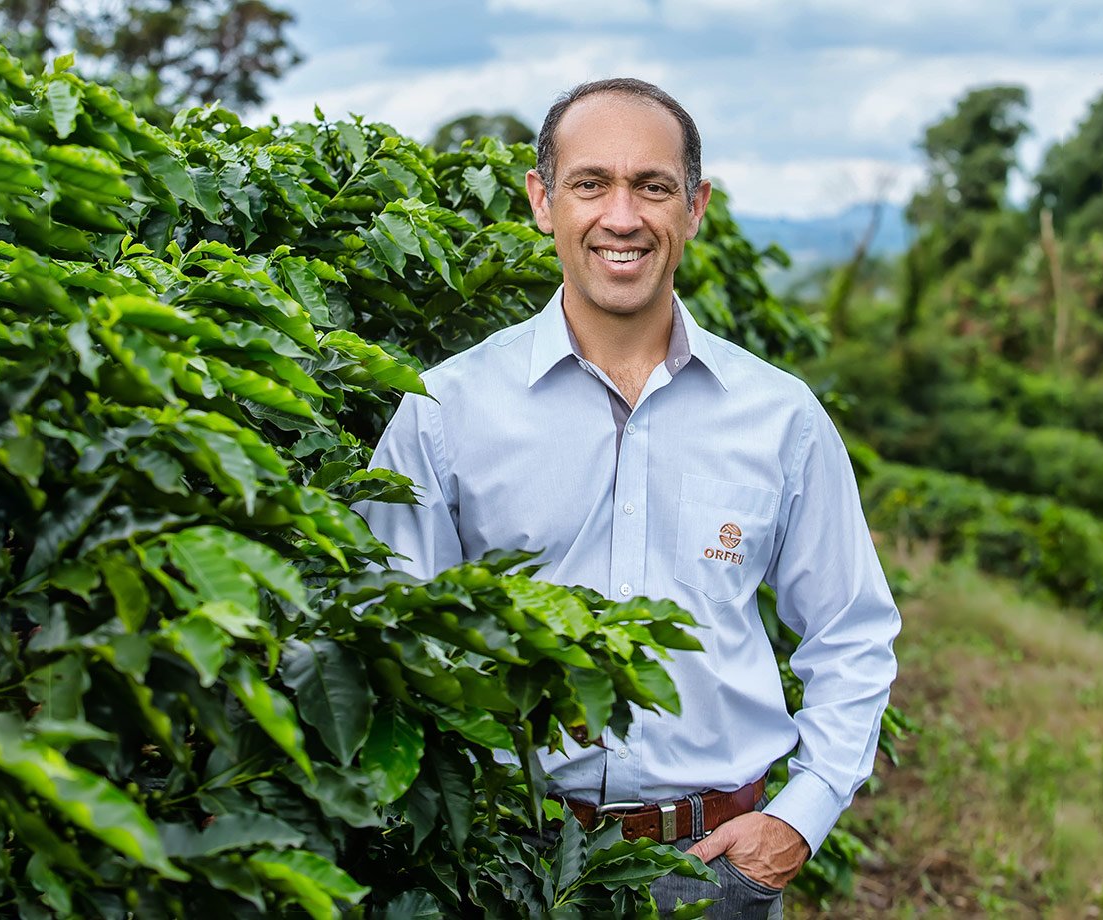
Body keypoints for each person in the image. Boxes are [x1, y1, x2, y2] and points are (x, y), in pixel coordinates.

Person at [357, 77, 901, 918]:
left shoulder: (779, 416)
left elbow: (851, 631)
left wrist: (800, 815)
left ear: (695, 208)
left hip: (713, 869)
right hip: (500, 860)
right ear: (543, 201)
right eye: (590, 183)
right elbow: (388, 631)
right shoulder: (445, 411)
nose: (622, 216)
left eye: (653, 187)